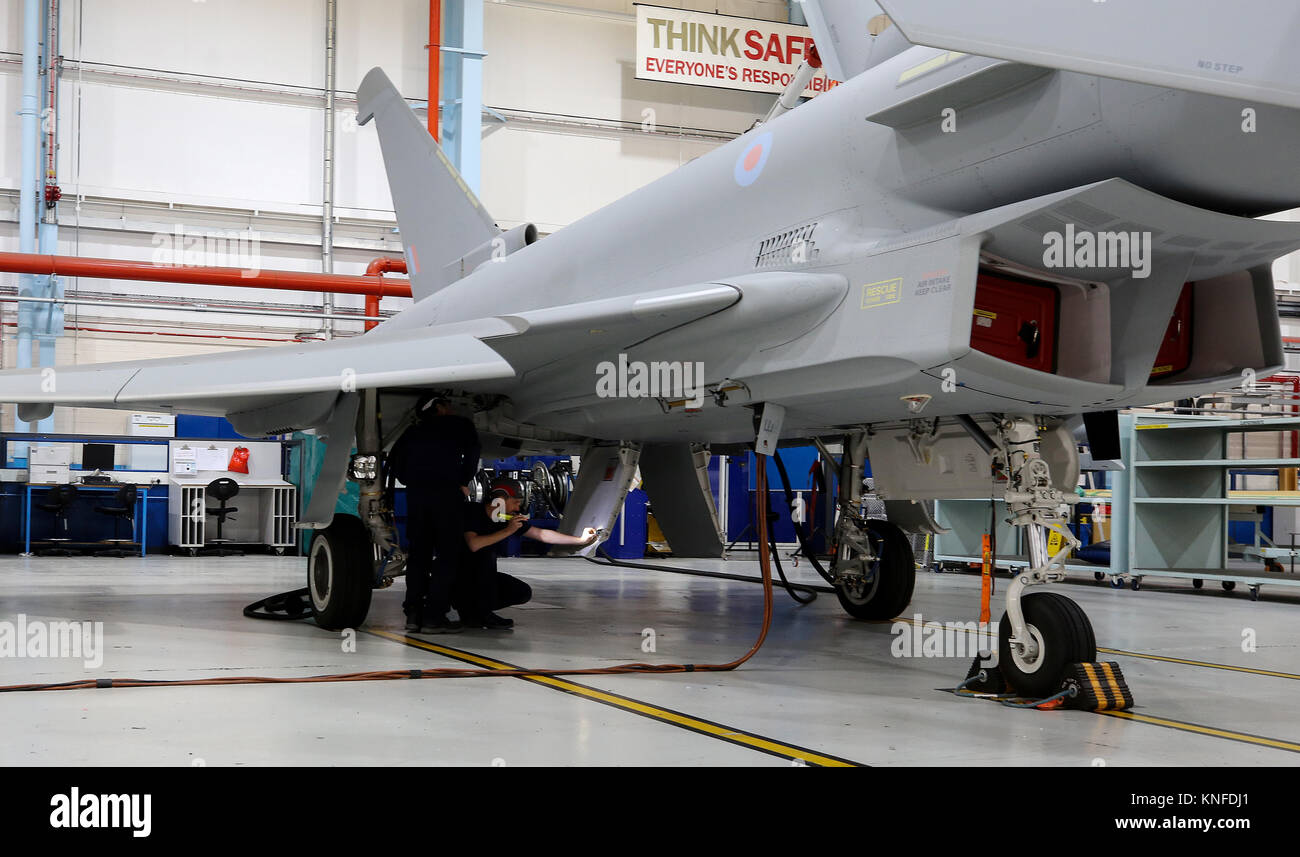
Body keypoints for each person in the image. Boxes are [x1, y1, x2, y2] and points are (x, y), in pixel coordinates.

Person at [388, 395, 481, 634]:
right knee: (447, 556)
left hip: (417, 498)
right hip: (447, 497)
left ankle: (413, 614)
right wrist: (462, 480)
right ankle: (434, 617)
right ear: (439, 407)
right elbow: (473, 453)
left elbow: (397, 465)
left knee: (419, 556)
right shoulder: (460, 425)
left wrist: (416, 482)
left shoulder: (412, 432)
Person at [459, 478, 598, 629]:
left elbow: (541, 534)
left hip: (483, 576)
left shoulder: (506, 519)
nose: (518, 507)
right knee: (482, 571)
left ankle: (480, 612)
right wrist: (508, 531)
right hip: (460, 576)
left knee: (521, 592)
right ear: (500, 499)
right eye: (516, 502)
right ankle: (473, 612)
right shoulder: (473, 512)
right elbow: (474, 544)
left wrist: (580, 540)